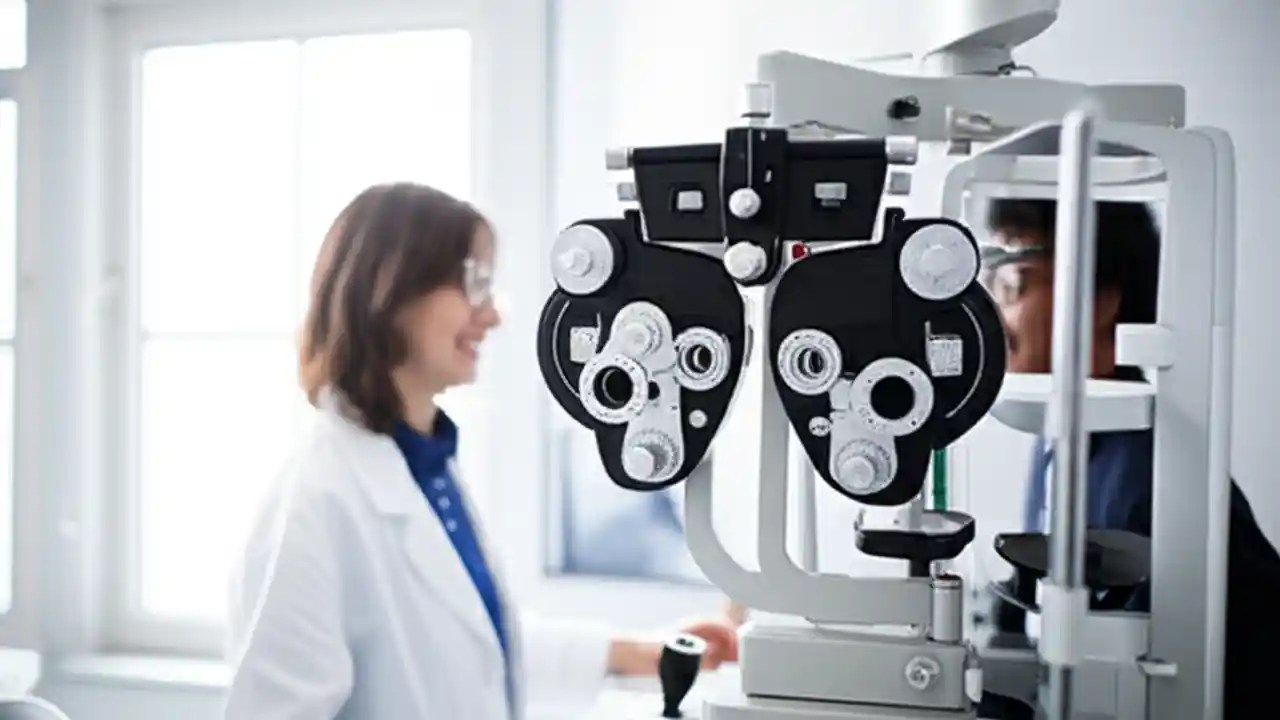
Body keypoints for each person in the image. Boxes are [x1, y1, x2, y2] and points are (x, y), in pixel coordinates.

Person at [224, 183, 738, 719]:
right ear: (390, 287)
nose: (492, 315)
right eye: (474, 282)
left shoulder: (423, 465)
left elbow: (475, 646)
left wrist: (644, 653)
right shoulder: (314, 503)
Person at [981, 197, 1280, 717]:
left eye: (1016, 283)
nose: (993, 313)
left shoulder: (1156, 478)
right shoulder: (1063, 434)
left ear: (1098, 300)